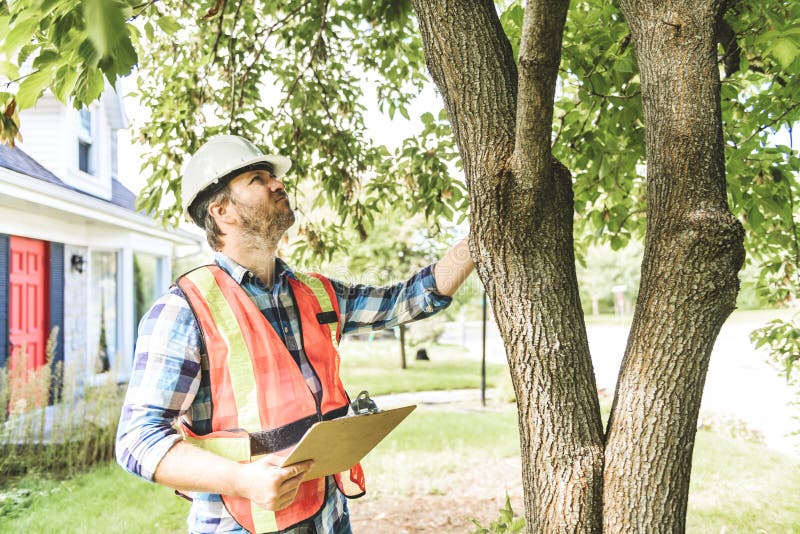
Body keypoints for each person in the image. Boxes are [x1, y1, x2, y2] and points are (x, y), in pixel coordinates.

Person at [115, 135, 474, 534]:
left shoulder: (316, 293)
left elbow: (408, 300)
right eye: (257, 178)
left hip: (329, 515)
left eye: (273, 176)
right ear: (221, 211)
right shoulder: (184, 309)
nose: (277, 184)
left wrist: (476, 239)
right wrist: (241, 480)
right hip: (242, 522)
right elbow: (137, 440)